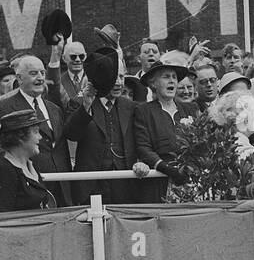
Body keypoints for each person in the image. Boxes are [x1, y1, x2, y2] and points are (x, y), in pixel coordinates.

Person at [62, 46, 143, 205]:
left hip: (125, 184)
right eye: (114, 77)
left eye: (122, 76)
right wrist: (86, 106)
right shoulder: (78, 103)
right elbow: (72, 134)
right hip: (91, 185)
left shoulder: (132, 107)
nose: (119, 82)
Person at [0, 55, 71, 206]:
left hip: (62, 185)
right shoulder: (3, 107)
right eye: (33, 73)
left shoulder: (54, 109)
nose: (40, 78)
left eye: (42, 73)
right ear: (20, 78)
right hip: (29, 186)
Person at [134, 53, 200, 201]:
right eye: (166, 77)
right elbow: (143, 148)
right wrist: (165, 168)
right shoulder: (144, 111)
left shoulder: (190, 109)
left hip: (190, 180)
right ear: (153, 83)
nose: (172, 81)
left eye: (174, 77)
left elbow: (201, 142)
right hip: (159, 180)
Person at [0, 109, 58, 213]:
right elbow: (1, 219)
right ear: (20, 136)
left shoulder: (31, 166)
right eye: (35, 132)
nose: (40, 137)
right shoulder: (4, 172)